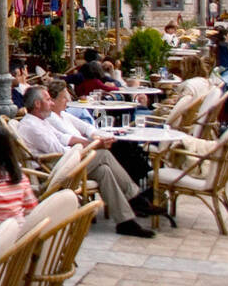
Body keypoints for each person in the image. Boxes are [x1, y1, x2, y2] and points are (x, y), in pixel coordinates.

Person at [19, 86, 153, 238]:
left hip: (62, 161)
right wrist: (93, 147)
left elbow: (64, 138)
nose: (51, 103)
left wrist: (89, 143)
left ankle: (125, 222)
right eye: (48, 100)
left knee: (104, 171)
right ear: (37, 104)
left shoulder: (41, 121)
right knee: (103, 154)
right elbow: (59, 150)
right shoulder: (32, 126)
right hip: (53, 168)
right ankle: (135, 198)